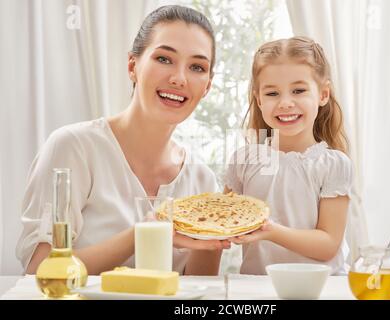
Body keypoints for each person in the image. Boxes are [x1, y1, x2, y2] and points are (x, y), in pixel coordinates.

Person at [16, 5, 230, 276]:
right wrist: (144, 233)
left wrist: (216, 232)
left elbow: (198, 290)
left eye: (197, 67)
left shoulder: (202, 181)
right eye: (164, 59)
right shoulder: (73, 147)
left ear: (207, 87)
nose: (179, 78)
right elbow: (40, 271)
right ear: (133, 66)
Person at [224, 36, 353, 275]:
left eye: (298, 90)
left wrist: (271, 231)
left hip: (322, 290)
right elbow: (223, 220)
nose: (285, 103)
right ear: (258, 98)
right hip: (258, 290)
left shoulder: (333, 165)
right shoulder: (244, 160)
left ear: (323, 94)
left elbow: (327, 244)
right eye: (272, 93)